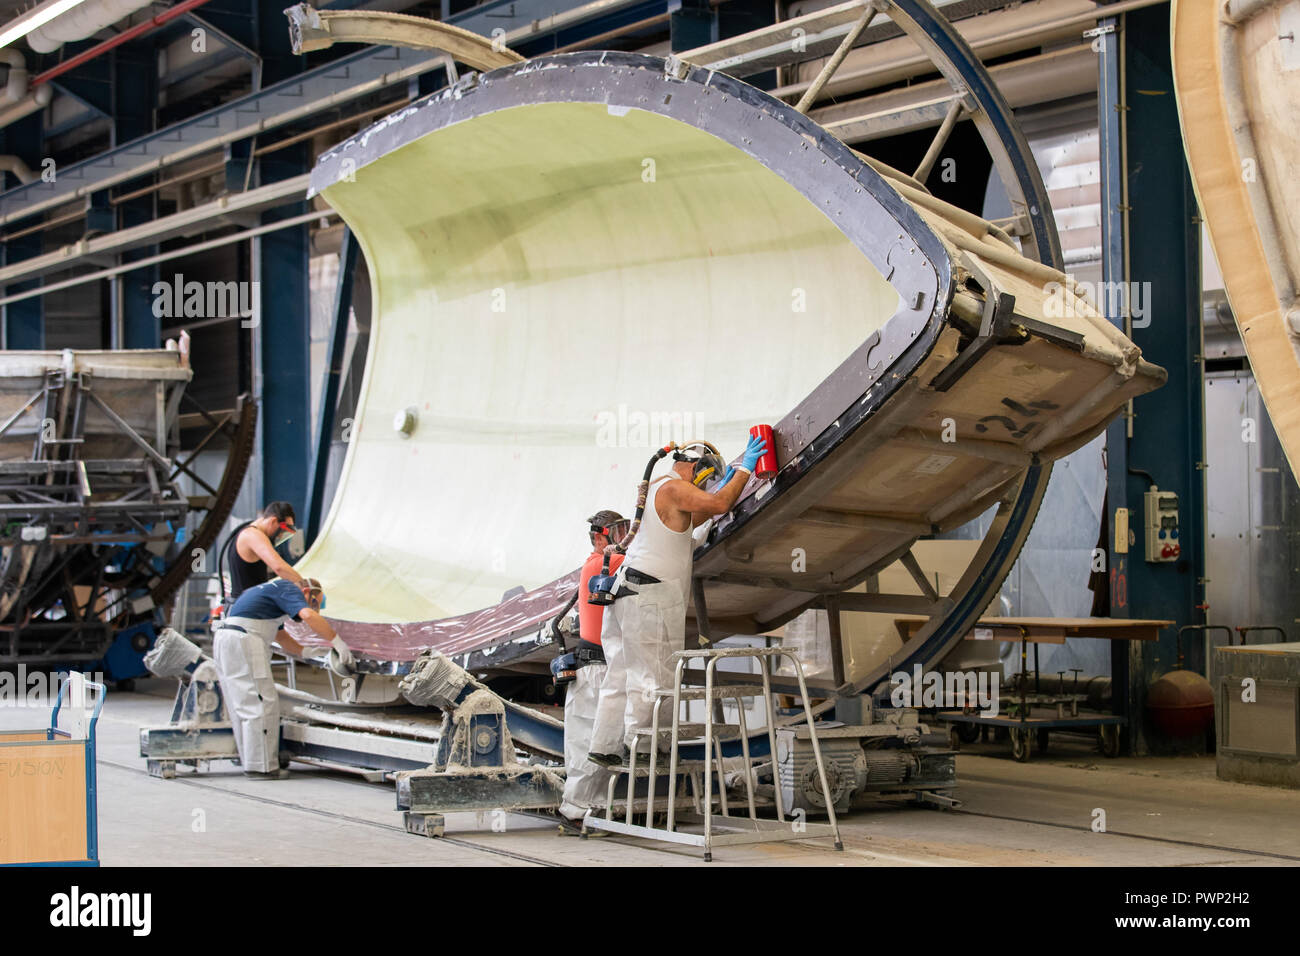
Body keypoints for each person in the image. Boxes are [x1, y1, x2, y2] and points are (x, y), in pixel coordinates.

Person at [587, 434, 768, 767]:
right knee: (653, 676)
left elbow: (691, 518)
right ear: (697, 469)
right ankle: (644, 750)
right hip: (649, 598)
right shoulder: (672, 487)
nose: (708, 487)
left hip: (628, 594)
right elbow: (719, 505)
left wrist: (722, 488)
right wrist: (744, 470)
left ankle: (606, 745)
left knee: (622, 674)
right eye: (709, 479)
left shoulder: (661, 488)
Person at [212, 576, 353, 779]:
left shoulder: (267, 594)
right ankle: (262, 768)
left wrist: (308, 653)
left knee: (241, 705)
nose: (315, 609)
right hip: (244, 640)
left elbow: (281, 637)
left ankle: (250, 762)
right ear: (306, 592)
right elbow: (308, 616)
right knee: (261, 703)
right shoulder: (288, 587)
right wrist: (338, 642)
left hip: (225, 639)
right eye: (315, 603)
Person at [558, 510, 627, 822]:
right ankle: (577, 813)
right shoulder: (605, 564)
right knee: (590, 742)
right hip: (594, 669)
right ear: (602, 537)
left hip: (595, 666)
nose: (626, 535)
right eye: (619, 531)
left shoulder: (599, 562)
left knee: (592, 742)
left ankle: (588, 811)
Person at [221, 501, 305, 600]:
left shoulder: (246, 530)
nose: (281, 535)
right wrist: (307, 589)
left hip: (245, 603)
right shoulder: (253, 535)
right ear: (273, 521)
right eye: (283, 529)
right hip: (247, 607)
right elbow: (279, 567)